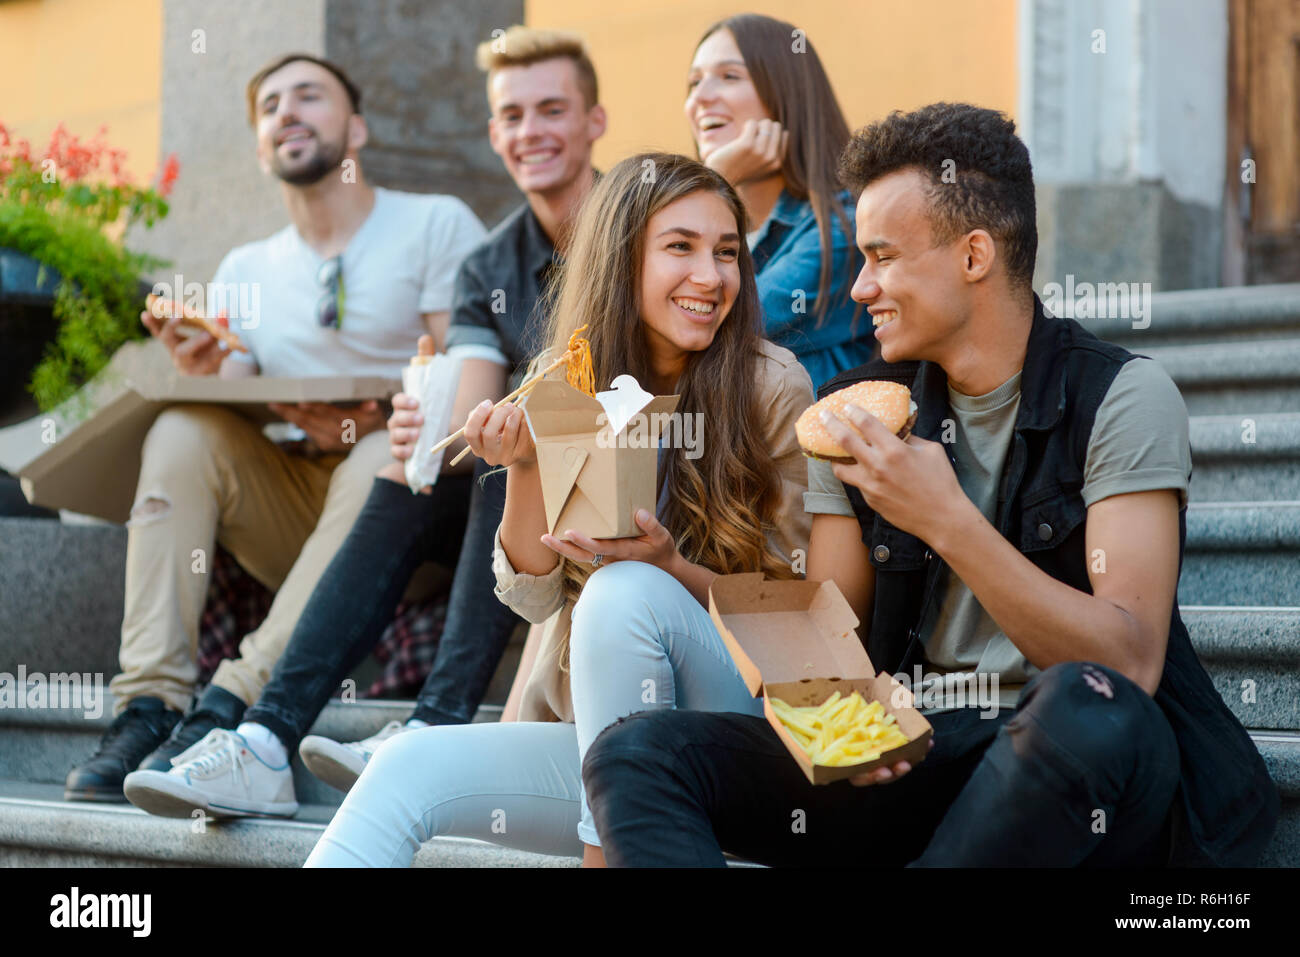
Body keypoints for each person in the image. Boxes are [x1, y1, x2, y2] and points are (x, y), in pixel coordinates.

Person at [581, 103, 1280, 867]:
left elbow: (1129, 661)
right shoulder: (851, 412)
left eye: (881, 257)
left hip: (1067, 766)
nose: (859, 288)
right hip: (910, 755)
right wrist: (844, 719)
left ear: (974, 255)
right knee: (635, 752)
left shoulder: (1119, 397)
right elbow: (827, 639)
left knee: (1088, 705)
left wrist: (947, 519)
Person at [118, 26, 609, 818]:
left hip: (631, 476)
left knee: (501, 453)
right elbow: (471, 413)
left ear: (595, 121)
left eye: (552, 110)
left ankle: (429, 725)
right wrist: (433, 430)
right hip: (425, 493)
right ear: (493, 134)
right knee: (456, 453)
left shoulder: (636, 223)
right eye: (513, 116)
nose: (531, 132)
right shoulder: (489, 263)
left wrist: (448, 432)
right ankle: (260, 739)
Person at [302, 152, 814, 866]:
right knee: (401, 767)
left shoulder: (772, 386)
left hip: (735, 734)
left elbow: (796, 609)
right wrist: (522, 464)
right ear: (620, 259)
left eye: (727, 252)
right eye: (680, 247)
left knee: (624, 587)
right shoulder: (566, 378)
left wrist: (671, 568)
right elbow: (533, 593)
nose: (710, 275)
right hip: (599, 738)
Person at [65, 53, 486, 802]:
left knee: (373, 452)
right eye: (270, 106)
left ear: (357, 128)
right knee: (184, 427)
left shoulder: (433, 223)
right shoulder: (245, 267)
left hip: (408, 515)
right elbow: (239, 407)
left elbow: (468, 373)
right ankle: (149, 703)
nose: (287, 111)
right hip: (292, 506)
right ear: (261, 149)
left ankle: (233, 700)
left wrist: (367, 424)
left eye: (309, 96)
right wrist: (200, 368)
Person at [686, 13, 871, 387]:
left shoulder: (843, 228)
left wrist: (715, 181)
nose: (701, 98)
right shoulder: (717, 227)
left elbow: (711, 326)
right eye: (694, 82)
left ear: (787, 97)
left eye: (729, 76)